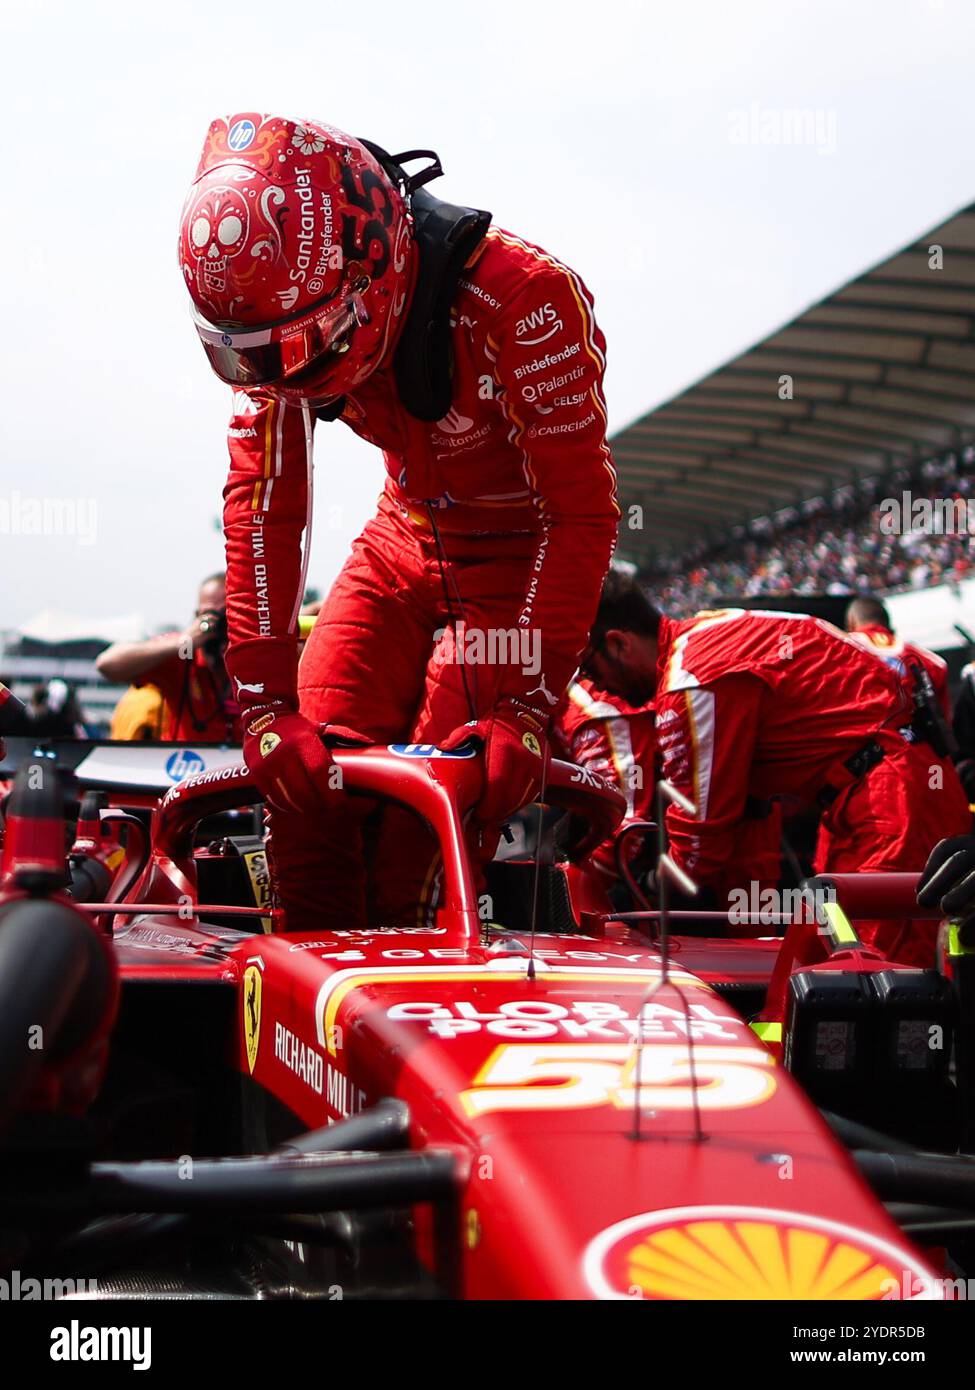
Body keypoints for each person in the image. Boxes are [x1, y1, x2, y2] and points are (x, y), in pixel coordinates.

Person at [178, 114, 618, 931]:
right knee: (302, 794)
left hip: (517, 567)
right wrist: (266, 706)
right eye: (247, 355)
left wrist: (526, 705)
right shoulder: (272, 312)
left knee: (439, 813)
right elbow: (263, 505)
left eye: (302, 344)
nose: (278, 375)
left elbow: (581, 513)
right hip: (398, 540)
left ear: (369, 263)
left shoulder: (525, 299)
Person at [580, 573, 971, 964]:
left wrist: (639, 889)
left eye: (592, 671)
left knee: (874, 978)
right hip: (871, 794)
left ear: (618, 644)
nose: (600, 688)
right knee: (831, 958)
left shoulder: (691, 679)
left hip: (891, 804)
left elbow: (699, 843)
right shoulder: (713, 630)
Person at [96, 574, 238, 743]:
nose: (221, 627)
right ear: (197, 616)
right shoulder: (185, 654)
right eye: (213, 616)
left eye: (230, 616)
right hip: (187, 764)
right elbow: (107, 664)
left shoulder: (257, 658)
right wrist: (183, 641)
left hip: (242, 765)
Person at [845, 595, 949, 714]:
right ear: (887, 622)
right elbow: (943, 715)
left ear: (851, 622)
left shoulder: (841, 652)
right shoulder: (927, 659)